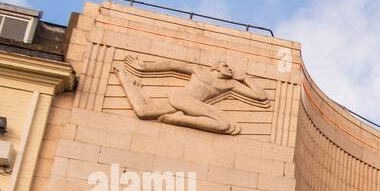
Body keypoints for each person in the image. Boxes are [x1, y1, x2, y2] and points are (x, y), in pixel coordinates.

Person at [115, 55, 270, 134]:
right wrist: (144, 67)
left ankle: (126, 80)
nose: (229, 68)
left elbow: (261, 96)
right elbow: (172, 66)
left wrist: (246, 78)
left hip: (189, 104)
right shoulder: (200, 71)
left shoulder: (231, 84)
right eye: (225, 65)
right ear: (215, 67)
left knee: (142, 111)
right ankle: (179, 118)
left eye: (230, 67)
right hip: (181, 98)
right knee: (224, 124)